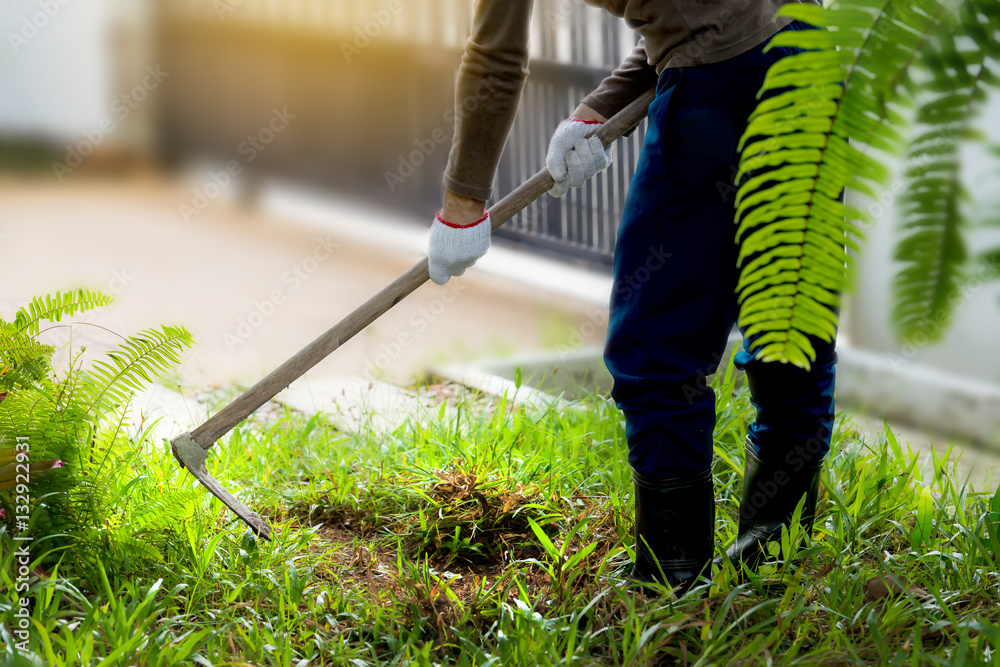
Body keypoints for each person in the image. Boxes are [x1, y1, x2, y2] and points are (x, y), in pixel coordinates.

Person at [427, 0, 837, 594]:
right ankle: (772, 569)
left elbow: (495, 58)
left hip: (721, 84)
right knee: (789, 324)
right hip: (810, 56)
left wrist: (462, 204)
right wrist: (600, 108)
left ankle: (674, 592)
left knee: (655, 352)